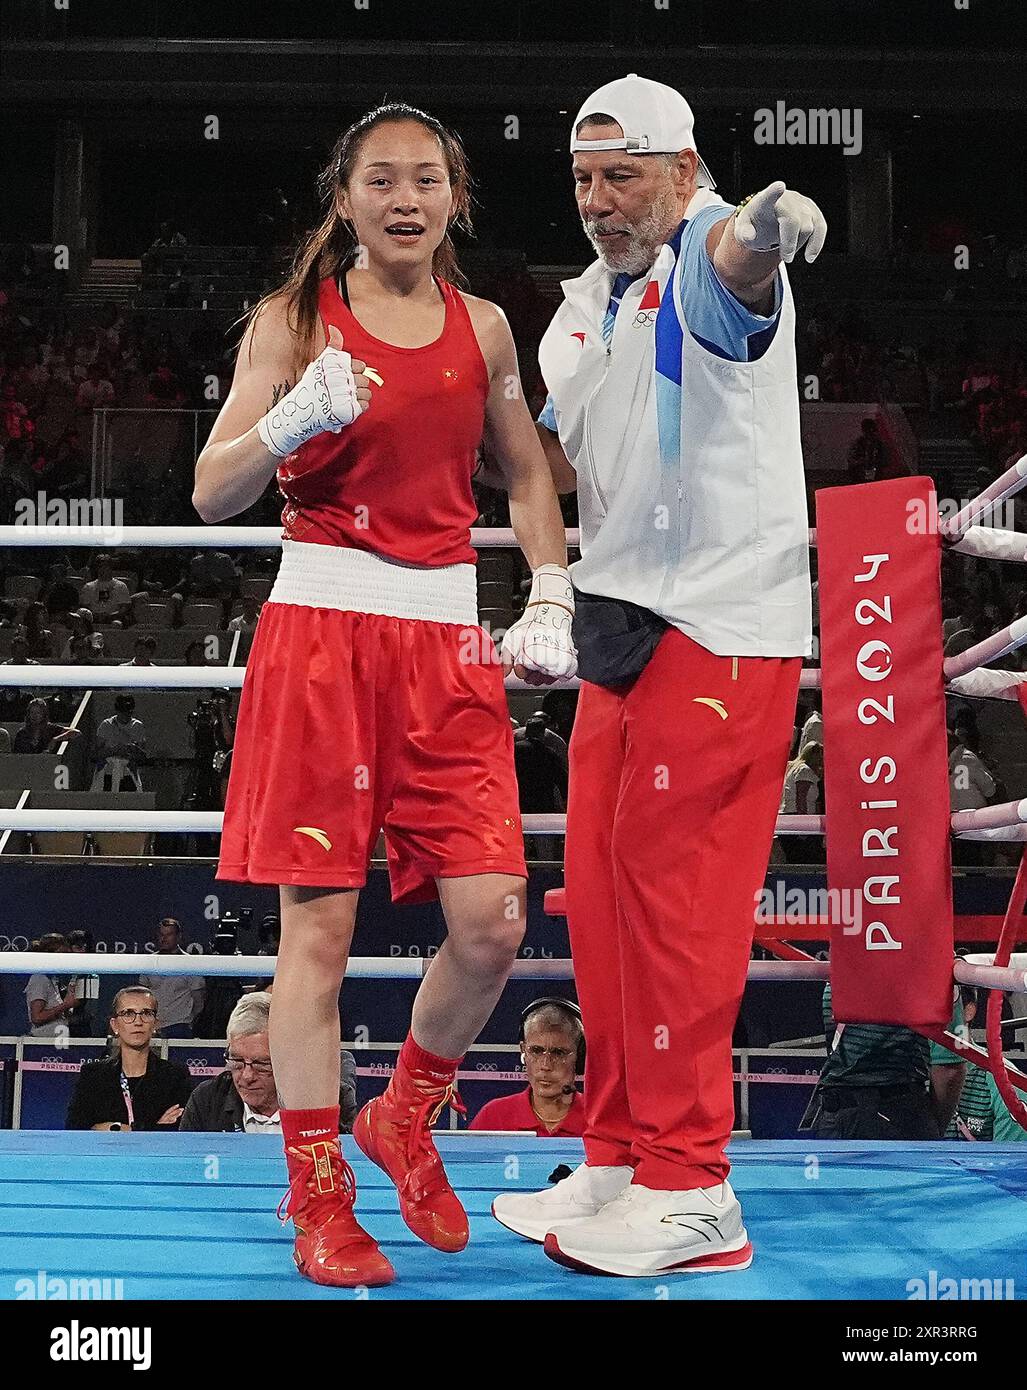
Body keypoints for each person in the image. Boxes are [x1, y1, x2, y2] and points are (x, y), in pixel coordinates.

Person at [194, 102, 576, 1288]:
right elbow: (212, 491)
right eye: (381, 180)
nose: (404, 199)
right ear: (345, 197)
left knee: (493, 921)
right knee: (318, 927)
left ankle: (406, 1113)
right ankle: (318, 1192)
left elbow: (524, 474)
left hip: (445, 639)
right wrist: (287, 421)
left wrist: (552, 586)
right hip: (320, 633)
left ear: (454, 197)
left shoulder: (491, 328)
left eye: (425, 180)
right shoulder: (293, 319)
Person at [492, 74, 825, 1278]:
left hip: (722, 626)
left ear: (683, 172)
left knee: (679, 913)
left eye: (621, 173)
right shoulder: (587, 304)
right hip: (623, 624)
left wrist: (767, 231)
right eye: (583, 177)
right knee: (604, 897)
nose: (598, 199)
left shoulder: (699, 261)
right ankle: (623, 1152)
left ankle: (696, 1189)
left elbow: (737, 271)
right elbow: (580, 465)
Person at [806, 980, 963, 1142]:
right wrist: (933, 1127)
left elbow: (949, 1068)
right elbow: (949, 1070)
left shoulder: (841, 964)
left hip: (836, 1114)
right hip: (898, 1115)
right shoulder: (934, 969)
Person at [180, 992, 359, 1134]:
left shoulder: (329, 1099)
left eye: (261, 1064)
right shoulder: (207, 1100)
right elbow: (185, 1168)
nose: (247, 1076)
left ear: (288, 1060)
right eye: (237, 1061)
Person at [66, 987, 193, 1131]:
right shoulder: (93, 1075)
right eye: (128, 1013)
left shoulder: (175, 1076)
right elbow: (75, 1128)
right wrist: (156, 1127)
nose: (138, 1021)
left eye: (146, 1013)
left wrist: (121, 1129)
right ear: (115, 1025)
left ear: (155, 1024)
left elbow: (181, 1130)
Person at [471, 999, 585, 1138]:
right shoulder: (493, 1118)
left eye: (558, 1052)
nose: (545, 1065)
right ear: (523, 1051)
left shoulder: (599, 1120)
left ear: (580, 1056)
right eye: (536, 1051)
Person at [138, 918, 205, 1039]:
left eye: (169, 934)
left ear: (179, 937)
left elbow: (199, 1001)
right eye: (161, 935)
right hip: (153, 1028)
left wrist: (189, 1021)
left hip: (180, 1027)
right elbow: (142, 997)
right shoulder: (149, 962)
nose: (164, 939)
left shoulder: (191, 964)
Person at [24, 933, 76, 1037]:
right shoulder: (39, 978)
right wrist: (66, 1004)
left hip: (58, 1041)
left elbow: (60, 1014)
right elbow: (37, 1017)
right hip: (42, 1042)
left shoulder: (53, 979)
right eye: (63, 954)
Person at [91, 692, 146, 792]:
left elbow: (142, 756)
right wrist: (113, 751)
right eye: (122, 711)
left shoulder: (137, 726)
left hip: (129, 773)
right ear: (117, 710)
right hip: (108, 773)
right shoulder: (106, 725)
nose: (125, 715)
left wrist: (130, 750)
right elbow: (95, 754)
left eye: (128, 712)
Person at [13, 696, 79, 754]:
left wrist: (55, 739)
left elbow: (76, 732)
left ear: (44, 714)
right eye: (32, 712)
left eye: (38, 712)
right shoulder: (22, 733)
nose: (34, 716)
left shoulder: (51, 729)